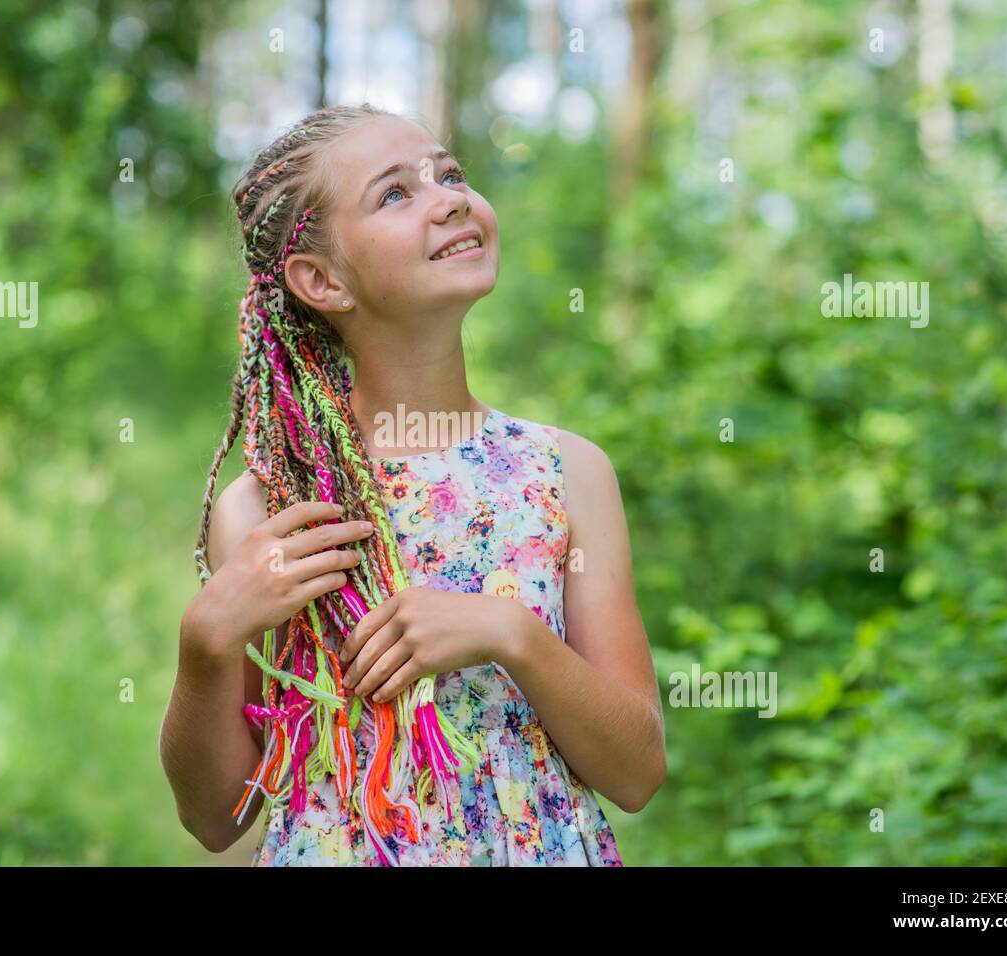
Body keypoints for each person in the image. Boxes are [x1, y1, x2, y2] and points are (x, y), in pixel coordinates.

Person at [159, 103, 666, 866]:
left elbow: (635, 773)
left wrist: (511, 634)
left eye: (451, 174)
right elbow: (216, 819)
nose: (451, 198)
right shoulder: (274, 509)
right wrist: (204, 644)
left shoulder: (567, 474)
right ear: (322, 280)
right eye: (396, 194)